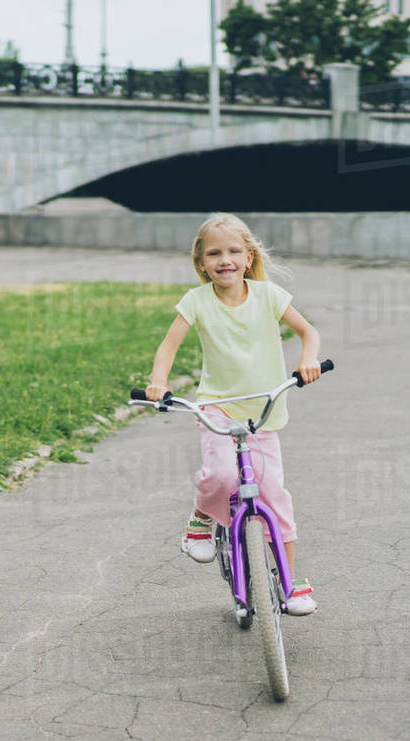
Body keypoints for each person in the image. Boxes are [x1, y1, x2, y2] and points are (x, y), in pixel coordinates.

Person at [145, 213, 322, 616]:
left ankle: (291, 584)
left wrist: (308, 360)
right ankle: (202, 515)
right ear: (202, 263)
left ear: (248, 257)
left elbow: (308, 332)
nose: (224, 259)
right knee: (223, 475)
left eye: (233, 251)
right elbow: (168, 347)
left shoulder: (268, 295)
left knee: (274, 494)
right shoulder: (197, 301)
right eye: (214, 253)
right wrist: (159, 382)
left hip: (263, 408)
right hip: (218, 405)